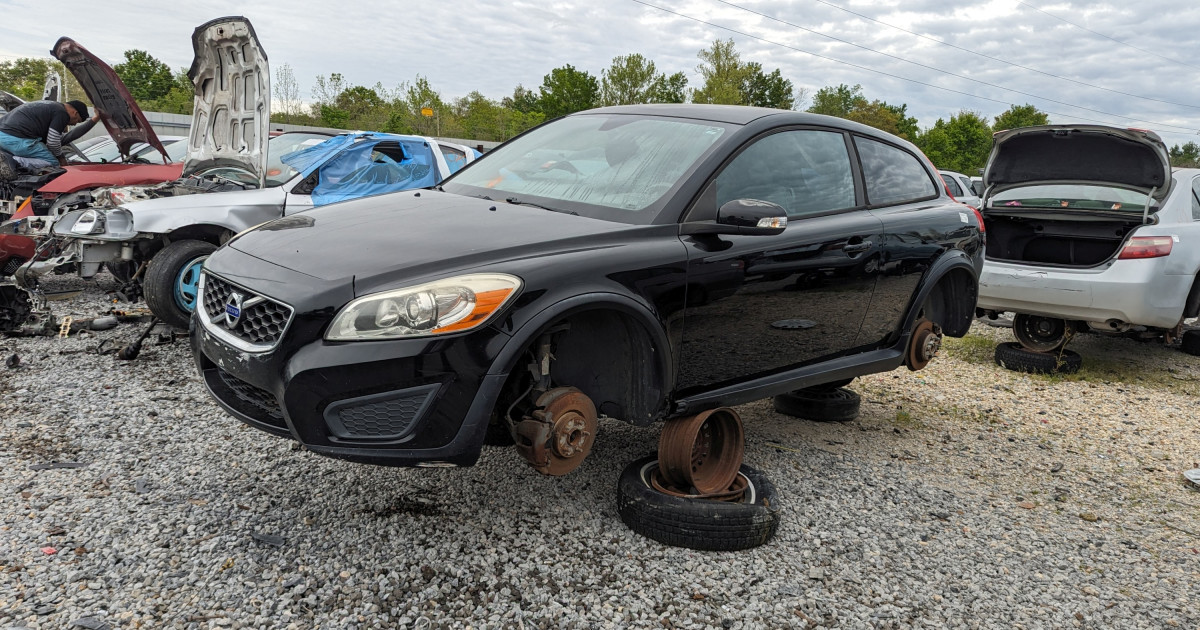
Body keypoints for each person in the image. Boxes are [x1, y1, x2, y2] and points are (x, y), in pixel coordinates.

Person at [0, 99, 92, 181]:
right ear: (75, 113)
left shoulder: (49, 106)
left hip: (3, 136)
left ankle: (8, 160)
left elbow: (62, 139)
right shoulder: (62, 113)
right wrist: (61, 158)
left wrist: (95, 120)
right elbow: (52, 141)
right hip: (17, 140)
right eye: (77, 121)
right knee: (53, 164)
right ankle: (14, 161)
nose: (74, 124)